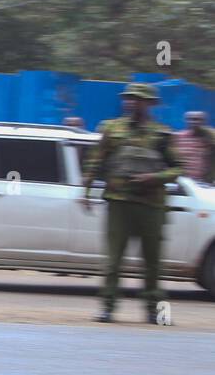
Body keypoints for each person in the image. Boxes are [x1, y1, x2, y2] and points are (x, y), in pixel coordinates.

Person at [80, 83, 181, 324]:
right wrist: (85, 190)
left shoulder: (162, 134)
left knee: (152, 262)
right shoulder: (111, 128)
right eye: (129, 98)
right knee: (113, 261)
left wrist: (154, 178)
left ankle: (153, 310)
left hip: (151, 205)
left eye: (138, 99)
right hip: (119, 203)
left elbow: (178, 169)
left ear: (150, 104)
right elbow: (95, 161)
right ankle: (108, 307)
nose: (131, 102)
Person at [172, 110, 215, 184]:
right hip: (182, 180)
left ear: (204, 121)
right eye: (190, 119)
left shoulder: (211, 137)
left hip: (204, 181)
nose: (193, 122)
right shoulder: (178, 137)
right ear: (185, 120)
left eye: (197, 119)